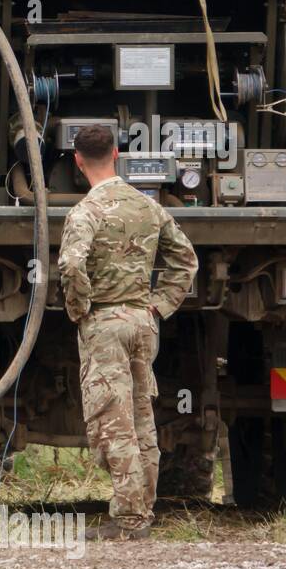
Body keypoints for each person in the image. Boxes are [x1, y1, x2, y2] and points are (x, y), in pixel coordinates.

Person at [59, 124, 198, 540]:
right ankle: (143, 510)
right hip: (142, 321)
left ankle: (129, 519)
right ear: (117, 154)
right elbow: (185, 259)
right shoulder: (147, 207)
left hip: (105, 324)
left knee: (112, 420)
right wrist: (160, 304)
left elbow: (71, 265)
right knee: (140, 418)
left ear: (78, 161)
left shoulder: (85, 212)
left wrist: (80, 309)